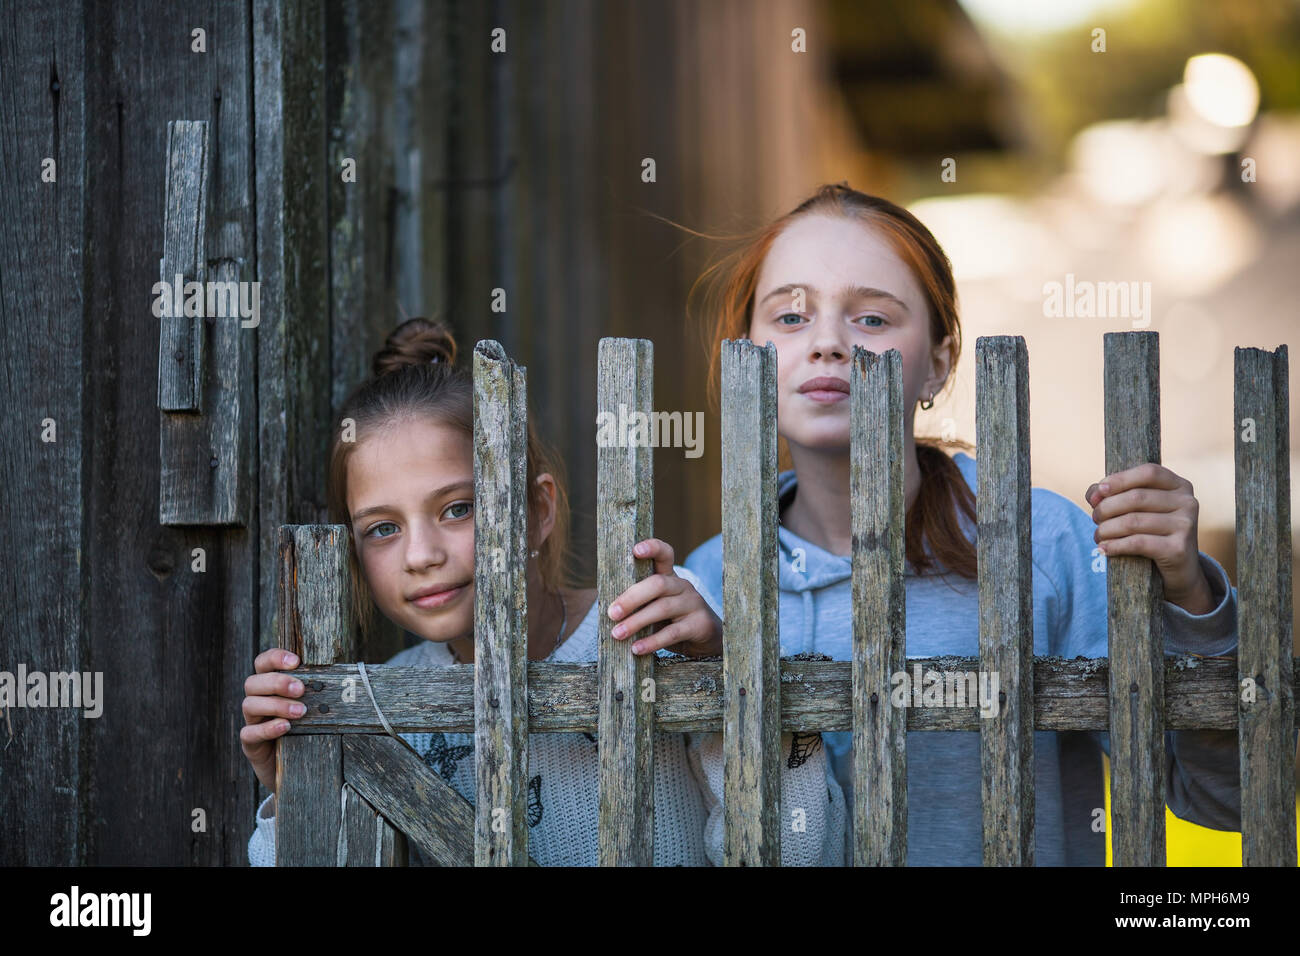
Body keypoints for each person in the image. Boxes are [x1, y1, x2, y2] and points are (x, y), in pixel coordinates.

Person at [662, 182, 1242, 865]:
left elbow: (1225, 798)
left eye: (871, 318)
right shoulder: (709, 583)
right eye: (790, 316)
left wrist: (1190, 598)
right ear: (745, 355)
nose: (827, 343)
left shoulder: (1045, 546)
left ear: (938, 364)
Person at [239, 317, 846, 866]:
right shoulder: (379, 709)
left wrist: (729, 674)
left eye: (457, 509)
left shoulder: (654, 628)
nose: (421, 555)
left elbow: (794, 851)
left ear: (538, 511)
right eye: (383, 529)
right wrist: (302, 790)